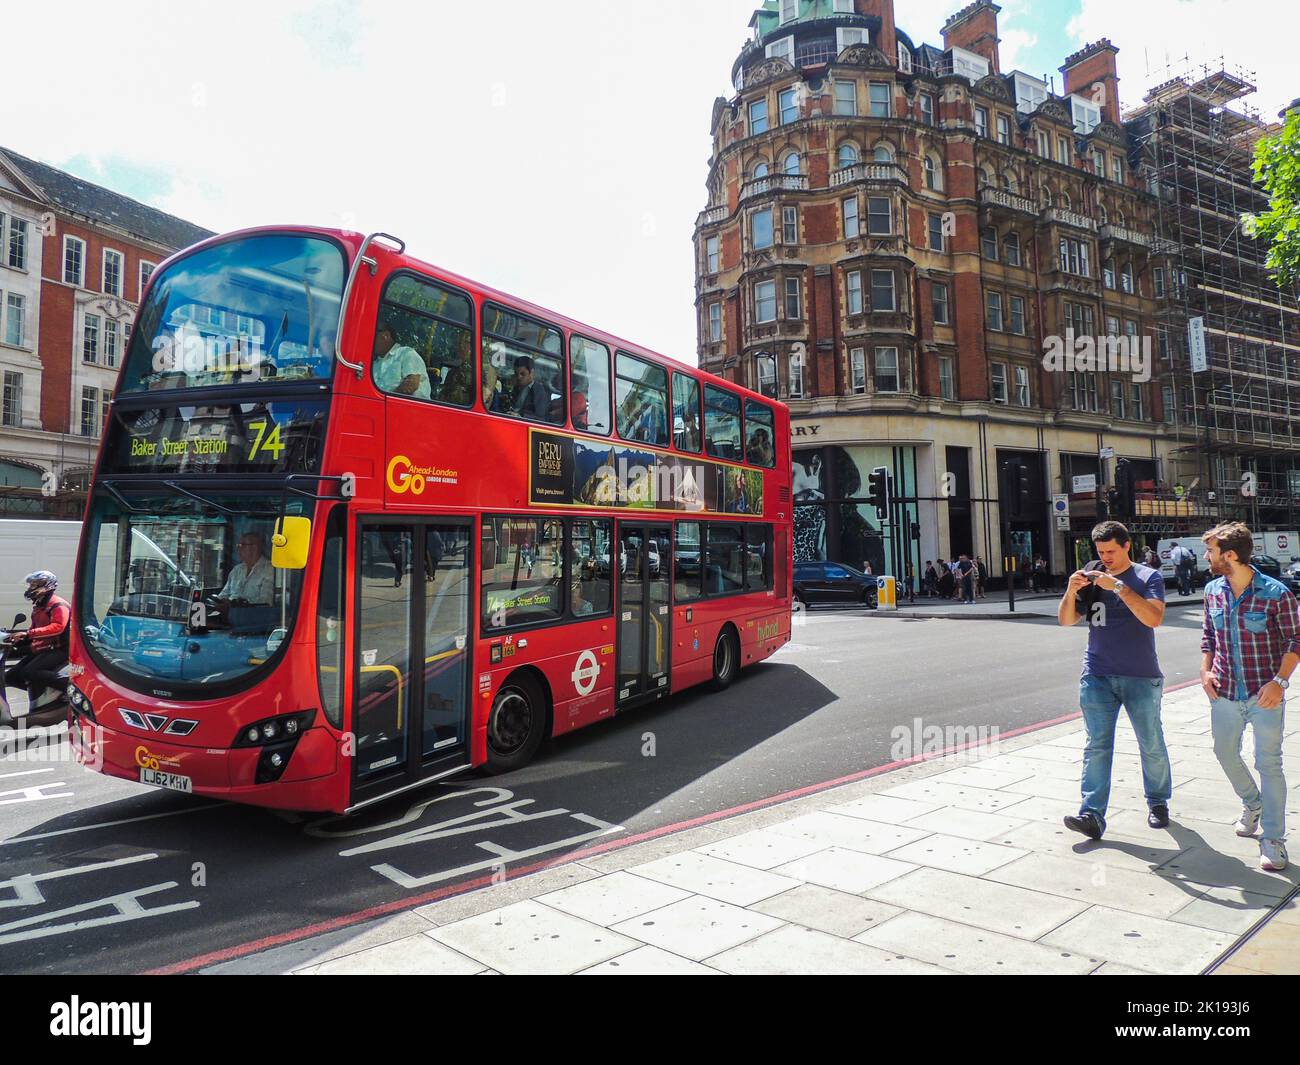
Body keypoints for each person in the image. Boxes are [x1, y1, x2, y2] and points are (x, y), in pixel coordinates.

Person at [1057, 520, 1172, 840]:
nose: (1105, 557)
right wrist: (1071, 590)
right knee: (1097, 745)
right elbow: (1067, 621)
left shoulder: (1149, 577)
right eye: (1100, 552)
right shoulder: (1092, 577)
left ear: (1126, 546)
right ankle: (1091, 814)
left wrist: (1119, 587)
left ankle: (1158, 801)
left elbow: (1154, 618)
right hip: (1096, 673)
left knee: (1150, 743)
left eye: (1111, 551)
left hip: (1140, 675)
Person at [1200, 522, 1298, 872]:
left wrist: (1280, 682)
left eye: (1211, 551)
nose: (1206, 557)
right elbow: (1209, 637)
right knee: (1224, 752)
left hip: (1264, 695)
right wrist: (1205, 671)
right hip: (1224, 692)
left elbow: (1295, 640)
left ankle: (1273, 838)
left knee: (1268, 762)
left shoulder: (1275, 593)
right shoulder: (1213, 590)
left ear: (1229, 555)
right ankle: (1252, 803)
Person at [4, 571, 70, 703]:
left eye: (34, 585)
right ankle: (45, 690)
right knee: (10, 676)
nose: (30, 588)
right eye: (30, 585)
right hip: (45, 648)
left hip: (61, 648)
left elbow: (58, 627)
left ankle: (70, 688)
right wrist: (17, 638)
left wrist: (29, 634)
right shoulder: (39, 605)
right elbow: (34, 629)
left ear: (47, 586)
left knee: (30, 671)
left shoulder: (58, 605)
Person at [372, 322, 431, 399]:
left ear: (385, 335)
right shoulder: (374, 364)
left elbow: (412, 384)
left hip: (410, 408)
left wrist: (383, 400)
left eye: (373, 332)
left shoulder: (406, 353)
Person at [217, 531, 275, 608]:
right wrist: (220, 601)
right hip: (230, 615)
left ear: (254, 548)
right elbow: (223, 594)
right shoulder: (237, 570)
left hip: (254, 616)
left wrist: (237, 603)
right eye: (238, 545)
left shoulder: (269, 569)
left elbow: (266, 601)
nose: (238, 549)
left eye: (242, 545)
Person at [511, 356, 551, 421]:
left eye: (522, 374)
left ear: (531, 373)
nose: (518, 377)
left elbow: (540, 417)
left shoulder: (539, 391)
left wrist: (521, 416)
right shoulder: (516, 387)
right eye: (516, 374)